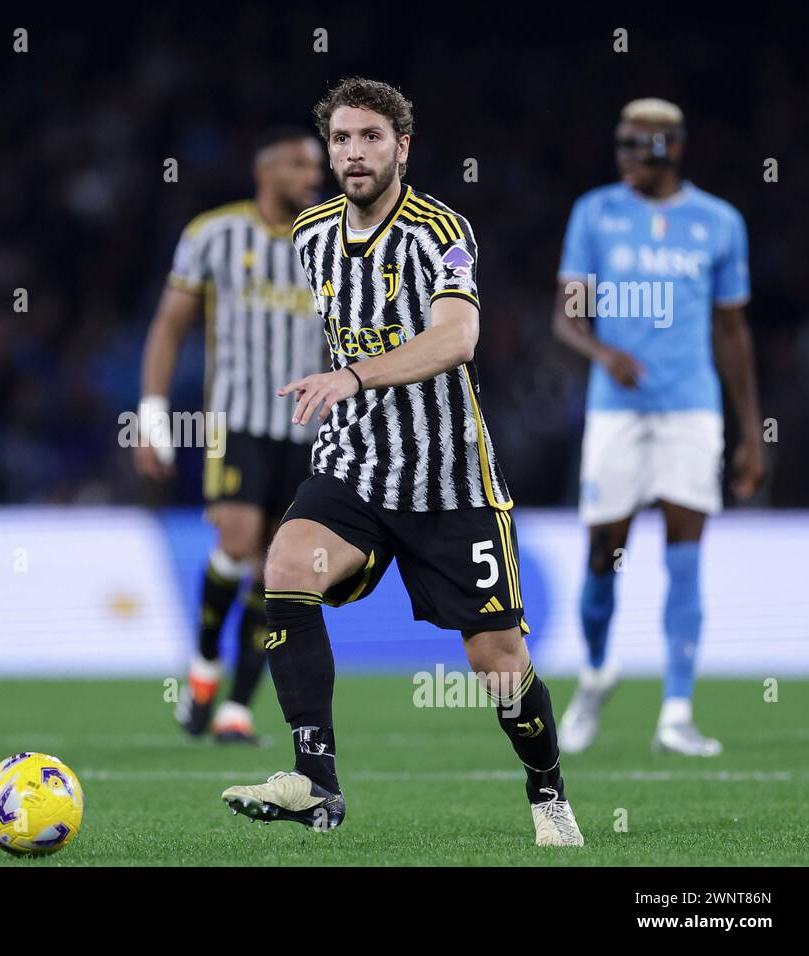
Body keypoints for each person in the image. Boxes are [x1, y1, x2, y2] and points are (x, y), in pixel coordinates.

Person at [220, 77, 583, 846]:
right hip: (355, 465)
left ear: (402, 148)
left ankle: (547, 792)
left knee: (500, 666)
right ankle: (315, 780)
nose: (355, 152)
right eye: (343, 139)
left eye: (372, 138)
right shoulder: (311, 233)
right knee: (284, 566)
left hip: (451, 478)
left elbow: (457, 338)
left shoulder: (440, 230)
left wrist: (352, 374)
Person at [552, 98, 762, 756]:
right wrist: (601, 352)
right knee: (602, 555)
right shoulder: (596, 212)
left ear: (671, 147)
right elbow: (567, 316)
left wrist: (751, 430)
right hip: (617, 413)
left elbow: (732, 331)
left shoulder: (719, 222)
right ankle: (594, 675)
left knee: (684, 556)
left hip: (691, 410)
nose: (624, 157)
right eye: (620, 143)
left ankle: (676, 711)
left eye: (636, 145)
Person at [136, 128, 327, 742]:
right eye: (301, 165)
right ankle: (203, 663)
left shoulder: (330, 242)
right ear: (264, 170)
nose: (314, 176)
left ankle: (237, 708)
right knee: (238, 539)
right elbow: (170, 326)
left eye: (316, 166)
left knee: (279, 569)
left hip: (308, 430)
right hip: (236, 420)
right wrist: (152, 415)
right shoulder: (213, 234)